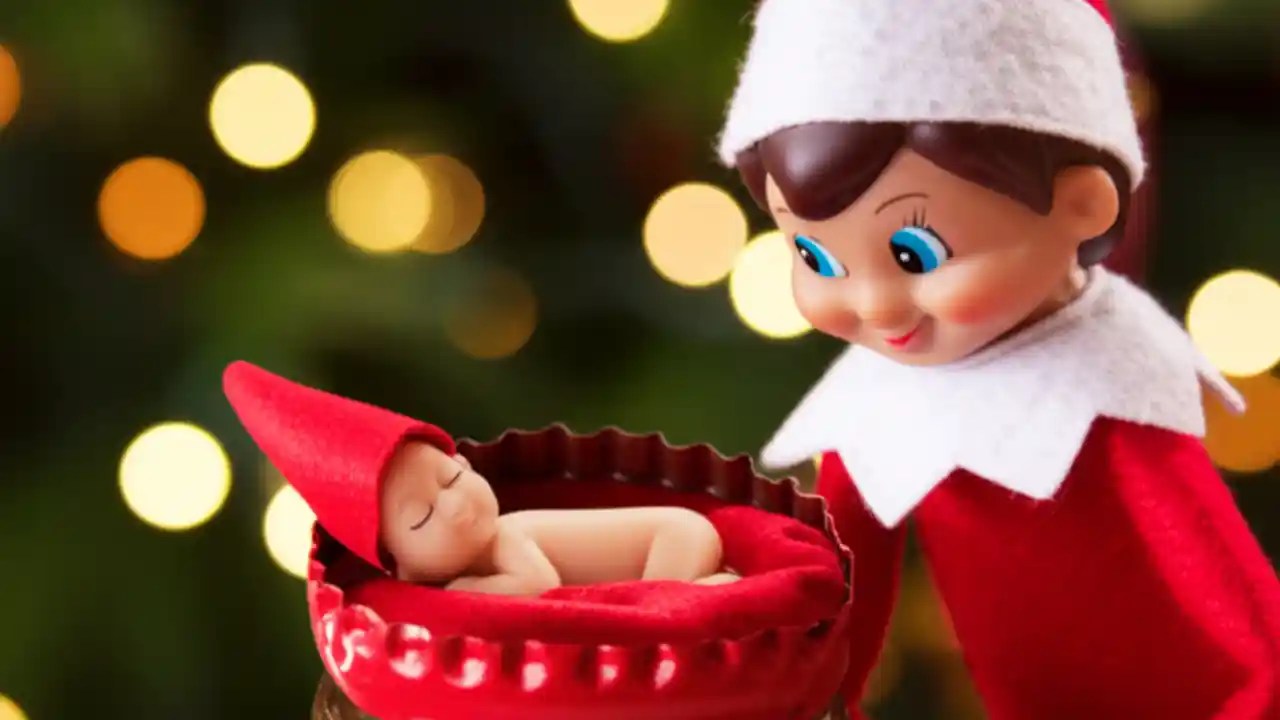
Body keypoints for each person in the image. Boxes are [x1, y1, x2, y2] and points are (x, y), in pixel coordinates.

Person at [717, 0, 1280, 718]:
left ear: (1083, 204)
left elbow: (1235, 606)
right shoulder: (872, 407)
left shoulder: (1109, 391)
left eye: (916, 253)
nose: (877, 306)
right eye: (816, 258)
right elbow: (843, 593)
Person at [223, 360, 737, 596]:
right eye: (422, 517)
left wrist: (468, 589)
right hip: (680, 536)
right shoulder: (490, 548)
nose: (455, 505)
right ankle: (712, 588)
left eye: (452, 478)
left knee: (657, 611)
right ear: (402, 568)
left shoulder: (508, 538)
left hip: (676, 535)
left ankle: (714, 592)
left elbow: (539, 583)